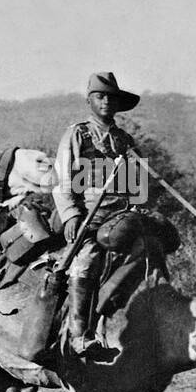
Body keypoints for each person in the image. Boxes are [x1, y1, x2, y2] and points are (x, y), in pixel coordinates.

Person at [51, 72, 142, 356]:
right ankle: (79, 334)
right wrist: (71, 215)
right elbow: (62, 178)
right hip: (90, 216)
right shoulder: (77, 134)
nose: (106, 102)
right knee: (87, 259)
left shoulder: (125, 139)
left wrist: (138, 202)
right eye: (100, 96)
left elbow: (136, 181)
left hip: (123, 216)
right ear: (89, 101)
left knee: (150, 252)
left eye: (111, 97)